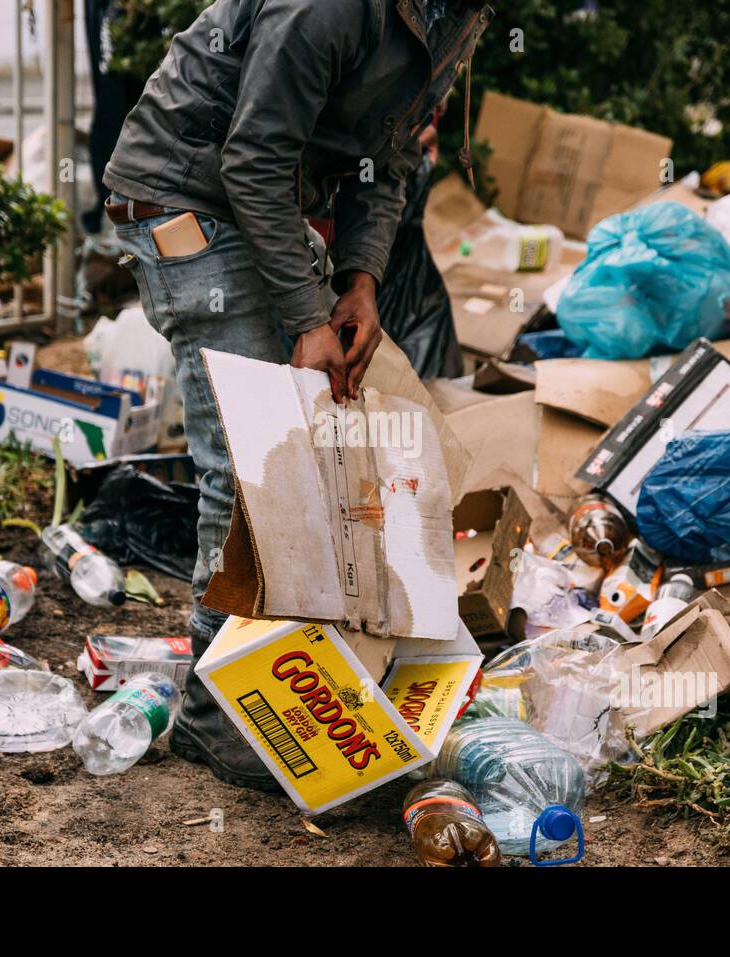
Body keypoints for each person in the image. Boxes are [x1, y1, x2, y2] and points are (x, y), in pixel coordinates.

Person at [104, 0, 491, 791]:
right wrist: (308, 315)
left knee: (313, 445)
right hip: (188, 193)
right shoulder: (327, 6)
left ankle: (292, 666)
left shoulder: (459, 14)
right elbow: (252, 157)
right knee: (253, 460)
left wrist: (361, 280)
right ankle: (217, 721)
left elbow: (392, 155)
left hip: (263, 202)